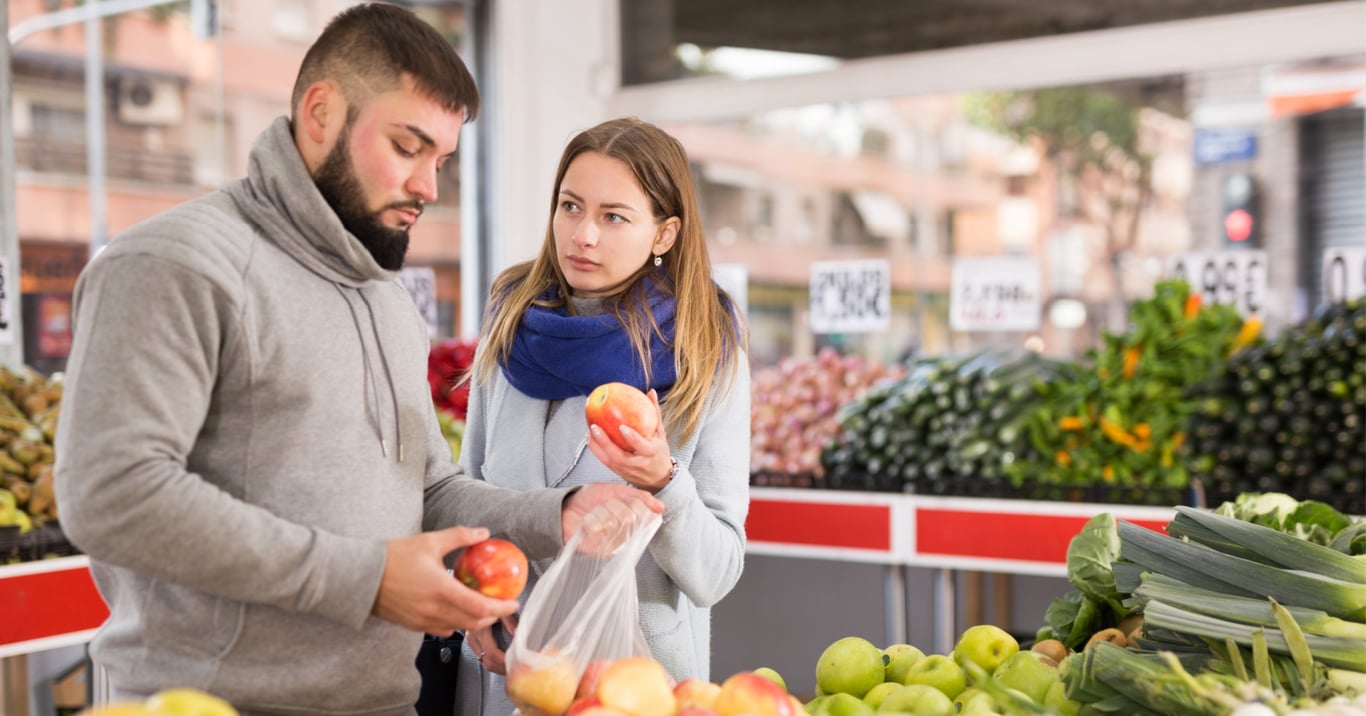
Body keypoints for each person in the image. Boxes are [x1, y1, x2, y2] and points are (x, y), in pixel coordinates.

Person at [52, 5, 659, 715]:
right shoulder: (175, 265)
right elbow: (113, 494)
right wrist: (366, 579)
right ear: (320, 113)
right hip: (204, 701)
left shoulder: (386, 301)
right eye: (408, 146)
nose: (429, 188)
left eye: (442, 160)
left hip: (382, 702)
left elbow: (425, 490)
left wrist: (557, 514)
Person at [451, 117, 751, 715]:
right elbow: (463, 494)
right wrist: (470, 602)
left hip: (632, 687)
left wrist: (664, 479)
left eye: (614, 216)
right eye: (570, 206)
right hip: (500, 669)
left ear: (664, 233)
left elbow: (716, 573)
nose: (583, 234)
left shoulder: (704, 349)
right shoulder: (510, 322)